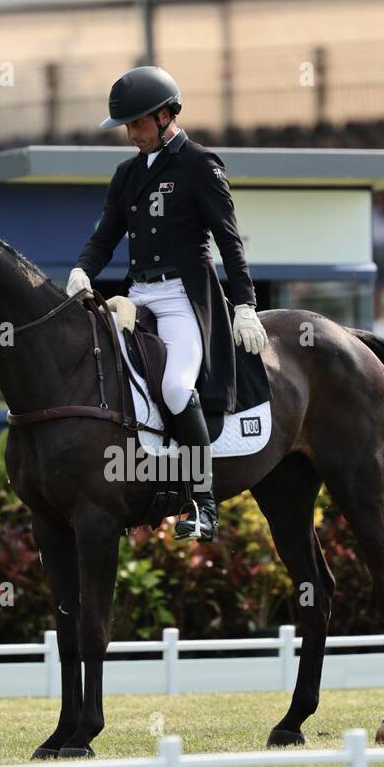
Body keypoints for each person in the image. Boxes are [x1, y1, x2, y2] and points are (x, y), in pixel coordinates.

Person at [66, 66, 267, 543]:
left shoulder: (200, 164)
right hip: (138, 298)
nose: (130, 135)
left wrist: (245, 305)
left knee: (176, 388)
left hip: (183, 299)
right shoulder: (127, 174)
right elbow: (105, 236)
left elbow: (229, 242)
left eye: (136, 124)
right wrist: (81, 270)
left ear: (162, 117)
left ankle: (203, 504)